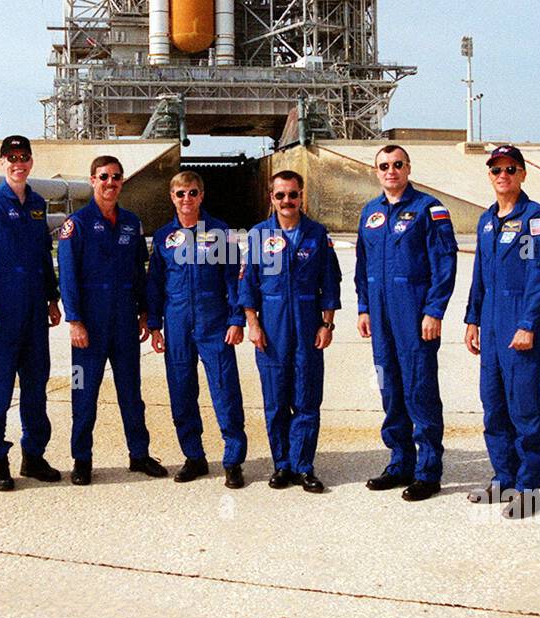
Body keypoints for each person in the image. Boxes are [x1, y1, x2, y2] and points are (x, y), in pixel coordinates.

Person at [355, 143, 458, 501]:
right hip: (381, 318)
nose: (391, 171)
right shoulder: (370, 213)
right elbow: (362, 266)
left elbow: (444, 264)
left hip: (414, 315)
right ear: (377, 171)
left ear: (408, 168)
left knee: (421, 389)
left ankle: (428, 471)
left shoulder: (429, 209)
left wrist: (435, 310)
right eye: (384, 165)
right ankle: (400, 462)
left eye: (397, 164)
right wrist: (363, 308)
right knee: (389, 387)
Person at [57, 154, 167, 485]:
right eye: (103, 177)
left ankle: (139, 454)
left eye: (116, 177)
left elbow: (139, 270)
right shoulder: (75, 225)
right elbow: (68, 277)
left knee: (131, 392)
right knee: (83, 392)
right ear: (93, 181)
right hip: (88, 327)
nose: (110, 182)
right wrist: (74, 320)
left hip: (123, 323)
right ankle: (82, 458)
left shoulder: (132, 223)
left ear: (121, 182)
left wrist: (145, 311)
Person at [464, 144, 540, 520]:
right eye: (496, 170)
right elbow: (480, 277)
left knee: (526, 410)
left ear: (523, 173)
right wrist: (472, 319)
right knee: (495, 407)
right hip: (490, 326)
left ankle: (528, 490)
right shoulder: (487, 221)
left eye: (510, 169)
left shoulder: (537, 218)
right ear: (489, 175)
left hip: (521, 325)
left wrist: (528, 322)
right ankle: (503, 478)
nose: (502, 176)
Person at [0, 135, 62, 490]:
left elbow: (42, 254)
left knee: (36, 385)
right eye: (11, 157)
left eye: (24, 157)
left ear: (31, 162)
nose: (18, 163)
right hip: (1, 311)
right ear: (2, 162)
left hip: (34, 309)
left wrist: (53, 297)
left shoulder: (37, 203)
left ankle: (33, 456)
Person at [239, 170, 341, 493]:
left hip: (308, 325)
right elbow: (247, 285)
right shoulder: (257, 236)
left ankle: (304, 466)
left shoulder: (317, 234)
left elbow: (330, 283)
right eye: (280, 195)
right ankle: (282, 465)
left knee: (307, 399)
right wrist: (253, 325)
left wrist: (327, 323)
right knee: (276, 401)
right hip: (272, 328)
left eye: (293, 194)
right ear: (272, 198)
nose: (287, 201)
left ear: (301, 196)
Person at [147, 170, 247, 488]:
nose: (186, 199)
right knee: (181, 391)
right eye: (180, 194)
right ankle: (194, 457)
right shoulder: (164, 237)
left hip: (214, 323)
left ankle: (233, 460)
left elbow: (233, 279)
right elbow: (156, 284)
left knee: (225, 390)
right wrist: (154, 326)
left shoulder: (220, 232)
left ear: (201, 195)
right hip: (177, 323)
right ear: (172, 197)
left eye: (192, 192)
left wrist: (235, 319)